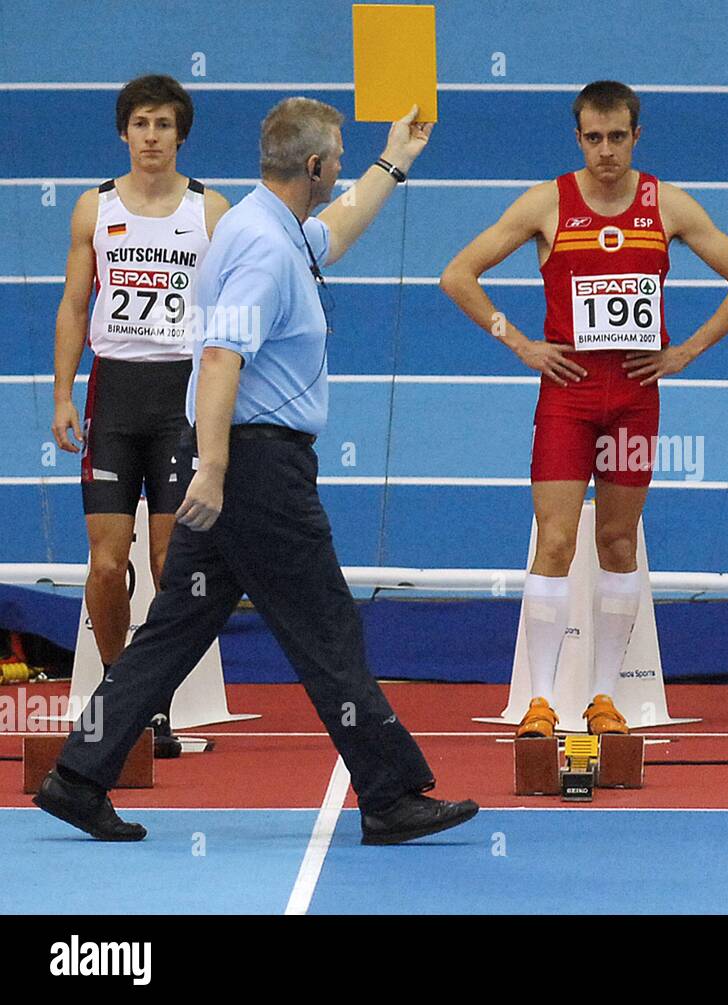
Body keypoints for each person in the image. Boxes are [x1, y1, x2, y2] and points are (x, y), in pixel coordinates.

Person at [36, 97, 479, 844]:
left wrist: (394, 159)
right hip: (257, 468)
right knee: (327, 626)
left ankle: (77, 775)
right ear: (311, 166)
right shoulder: (265, 250)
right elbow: (219, 359)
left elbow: (336, 227)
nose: (341, 168)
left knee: (174, 630)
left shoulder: (269, 226)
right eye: (337, 157)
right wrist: (211, 471)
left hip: (244, 461)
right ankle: (390, 791)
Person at [442, 81, 728, 738]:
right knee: (557, 539)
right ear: (579, 137)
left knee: (618, 541)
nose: (606, 151)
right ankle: (539, 700)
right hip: (569, 391)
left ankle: (604, 697)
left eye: (618, 137)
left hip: (635, 396)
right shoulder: (547, 203)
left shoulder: (666, 204)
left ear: (636, 136)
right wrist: (521, 343)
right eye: (594, 138)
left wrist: (687, 352)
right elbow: (458, 274)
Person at [51, 75, 230, 757]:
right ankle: (118, 693)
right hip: (114, 394)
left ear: (181, 134)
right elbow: (73, 305)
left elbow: (237, 309)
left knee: (169, 559)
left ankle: (154, 703)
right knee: (105, 563)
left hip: (183, 398)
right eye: (141, 124)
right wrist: (64, 393)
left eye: (163, 124)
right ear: (124, 133)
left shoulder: (211, 211)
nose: (152, 136)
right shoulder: (92, 210)